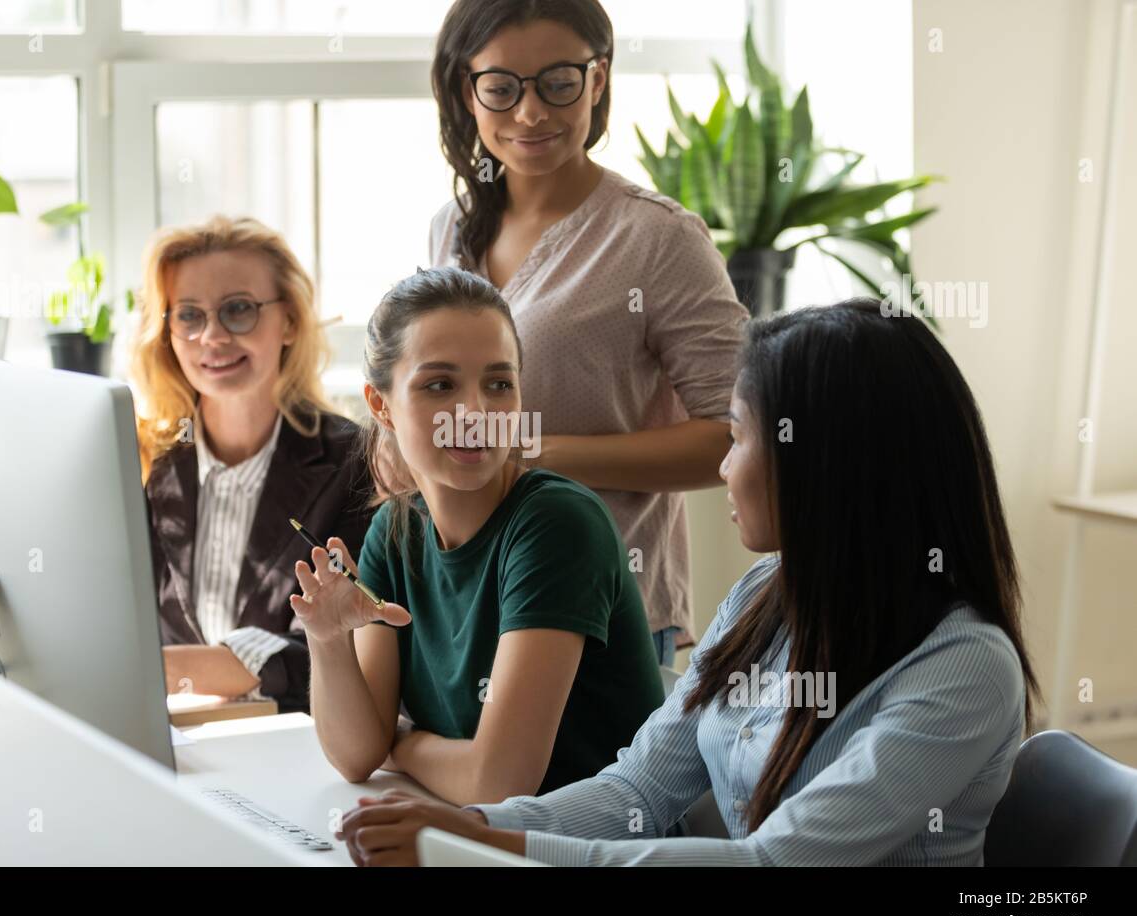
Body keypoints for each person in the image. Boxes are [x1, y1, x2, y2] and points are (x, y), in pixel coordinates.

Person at [333, 298, 1041, 866]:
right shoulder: (763, 597)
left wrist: (489, 839)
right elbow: (636, 788)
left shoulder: (965, 666)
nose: (724, 469)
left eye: (737, 437)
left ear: (825, 462)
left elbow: (774, 861)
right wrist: (469, 825)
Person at [429, 0, 749, 666]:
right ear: (468, 89)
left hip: (603, 601)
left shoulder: (658, 239)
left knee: (592, 777)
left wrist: (533, 453)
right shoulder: (451, 228)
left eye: (558, 82)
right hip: (467, 594)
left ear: (597, 80)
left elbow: (735, 432)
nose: (530, 113)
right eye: (501, 87)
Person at [294, 266, 665, 806]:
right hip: (482, 842)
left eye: (498, 383)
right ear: (380, 405)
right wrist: (326, 641)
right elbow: (354, 756)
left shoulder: (557, 524)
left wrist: (401, 744)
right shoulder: (395, 533)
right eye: (440, 385)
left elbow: (497, 782)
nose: (475, 414)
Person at [132, 215, 372, 711]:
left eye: (238, 310)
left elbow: (353, 647)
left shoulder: (355, 463)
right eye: (189, 315)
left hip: (296, 748)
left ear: (288, 321)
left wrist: (165, 670)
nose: (212, 336)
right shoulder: (147, 462)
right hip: (176, 740)